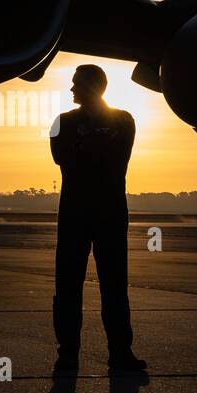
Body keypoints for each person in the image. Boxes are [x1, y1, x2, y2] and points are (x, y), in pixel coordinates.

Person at [50, 64, 146, 376]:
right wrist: (95, 146)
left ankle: (121, 353)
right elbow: (62, 156)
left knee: (115, 287)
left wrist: (85, 147)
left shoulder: (124, 119)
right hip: (76, 215)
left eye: (77, 84)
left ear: (93, 87)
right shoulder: (61, 121)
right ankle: (68, 354)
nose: (72, 89)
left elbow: (118, 157)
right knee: (68, 286)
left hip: (109, 214)